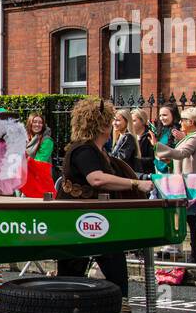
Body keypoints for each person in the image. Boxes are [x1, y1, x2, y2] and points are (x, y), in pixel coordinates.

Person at [57, 98, 152, 298]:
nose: (112, 125)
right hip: (77, 221)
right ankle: (66, 307)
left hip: (97, 220)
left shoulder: (98, 151)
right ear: (100, 125)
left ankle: (120, 304)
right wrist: (136, 184)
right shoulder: (84, 149)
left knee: (114, 266)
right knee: (71, 275)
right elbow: (97, 179)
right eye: (109, 121)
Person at [154, 106, 196, 263]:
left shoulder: (195, 137)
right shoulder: (189, 137)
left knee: (192, 220)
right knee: (188, 219)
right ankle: (191, 252)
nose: (180, 122)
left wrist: (157, 147)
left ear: (191, 122)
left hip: (190, 184)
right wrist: (168, 160)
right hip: (183, 182)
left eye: (183, 120)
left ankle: (195, 254)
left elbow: (181, 153)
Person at [127, 108, 156, 175]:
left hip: (146, 174)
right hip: (132, 173)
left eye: (134, 121)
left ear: (142, 121)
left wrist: (135, 160)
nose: (130, 123)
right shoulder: (129, 136)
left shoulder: (149, 136)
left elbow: (152, 159)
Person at [153, 104, 181, 174]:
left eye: (164, 115)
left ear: (173, 115)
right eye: (160, 115)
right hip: (159, 169)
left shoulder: (179, 131)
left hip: (172, 171)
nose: (161, 118)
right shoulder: (162, 130)